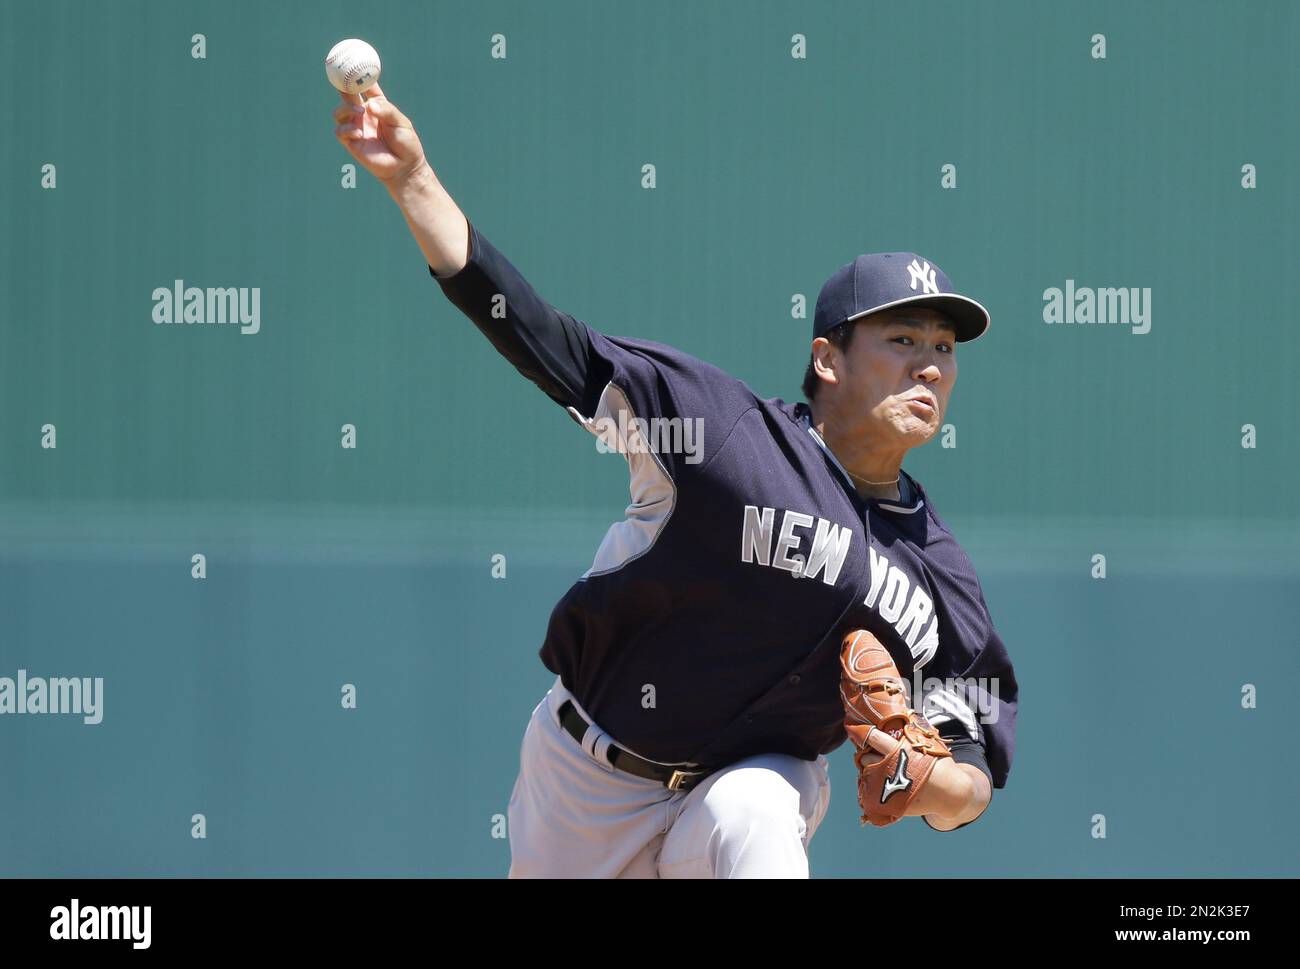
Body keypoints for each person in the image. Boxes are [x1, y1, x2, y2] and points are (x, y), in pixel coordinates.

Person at [331, 86, 1018, 878]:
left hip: (754, 785)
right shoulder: (721, 437)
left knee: (755, 811)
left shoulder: (939, 571)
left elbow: (973, 756)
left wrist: (936, 786)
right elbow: (545, 339)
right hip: (587, 782)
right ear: (828, 358)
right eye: (902, 338)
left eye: (945, 346)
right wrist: (414, 180)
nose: (930, 362)